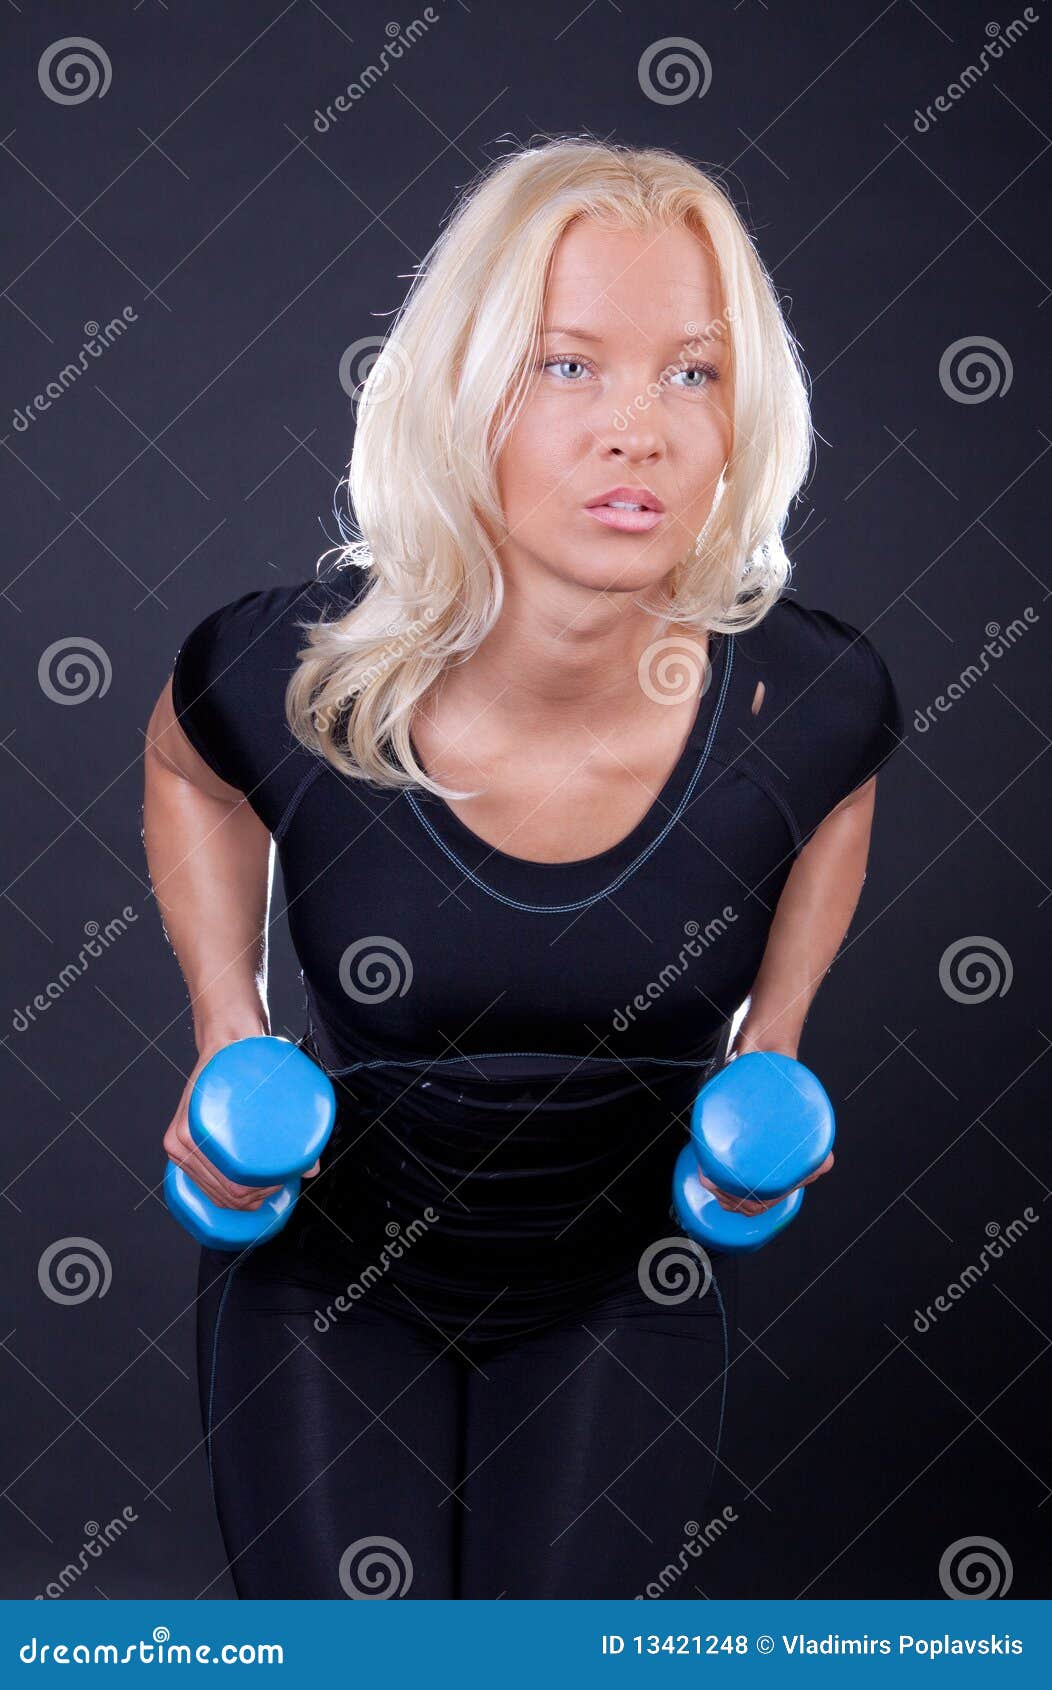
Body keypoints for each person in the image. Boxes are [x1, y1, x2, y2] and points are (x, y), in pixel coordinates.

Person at [142, 137, 904, 1600]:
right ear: (461, 391)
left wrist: (779, 1038)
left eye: (693, 373)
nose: (643, 429)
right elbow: (185, 763)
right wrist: (224, 1027)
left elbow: (837, 789)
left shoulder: (804, 700)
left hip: (626, 1288)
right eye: (569, 367)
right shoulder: (297, 676)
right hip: (328, 1279)